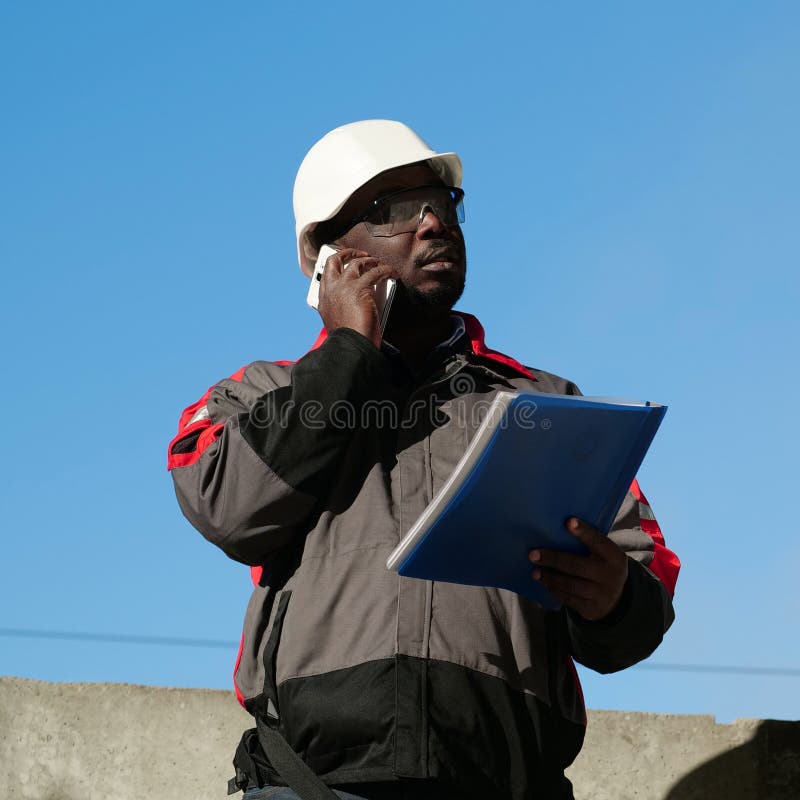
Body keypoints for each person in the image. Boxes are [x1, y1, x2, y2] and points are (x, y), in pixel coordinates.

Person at [167, 120, 680, 800]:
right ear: (330, 256)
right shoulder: (258, 395)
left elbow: (644, 583)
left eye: (444, 204)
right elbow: (227, 508)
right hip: (308, 784)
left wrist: (614, 599)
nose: (436, 223)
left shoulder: (548, 405)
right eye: (398, 211)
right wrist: (348, 354)